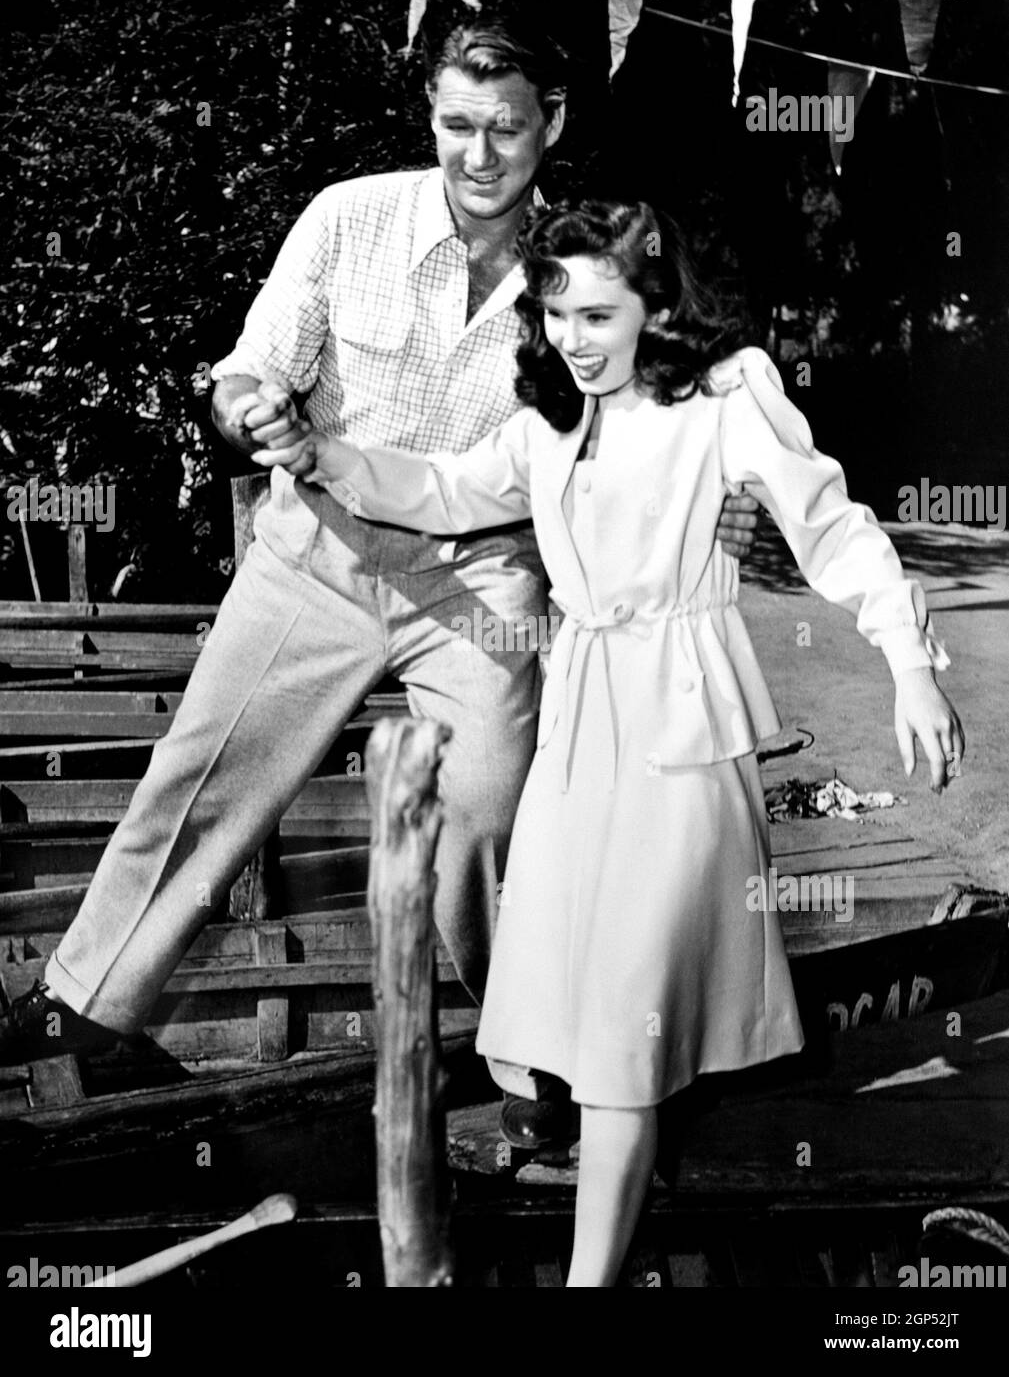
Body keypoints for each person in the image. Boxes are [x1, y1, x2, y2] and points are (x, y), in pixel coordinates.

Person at [0, 16, 760, 1150]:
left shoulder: (588, 270)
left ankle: (545, 1052)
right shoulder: (346, 218)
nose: (480, 153)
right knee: (201, 771)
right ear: (432, 117)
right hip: (320, 549)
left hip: (482, 580)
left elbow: (646, 430)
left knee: (495, 814)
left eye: (507, 127)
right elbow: (252, 366)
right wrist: (242, 402)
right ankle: (88, 1007)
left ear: (550, 124)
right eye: (458, 123)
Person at [256, 196, 966, 1286]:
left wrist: (909, 665)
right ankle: (589, 1156)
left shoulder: (724, 399)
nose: (572, 340)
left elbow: (832, 526)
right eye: (554, 315)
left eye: (598, 313)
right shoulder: (546, 419)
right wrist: (320, 453)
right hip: (580, 732)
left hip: (683, 731)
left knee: (625, 1041)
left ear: (655, 304)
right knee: (539, 1028)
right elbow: (443, 489)